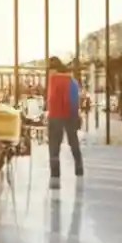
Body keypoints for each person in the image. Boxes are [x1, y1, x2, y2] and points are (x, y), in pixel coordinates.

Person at [45, 56, 83, 186]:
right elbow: (75, 100)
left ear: (54, 69)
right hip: (70, 116)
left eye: (50, 69)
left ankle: (55, 174)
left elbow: (51, 99)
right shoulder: (72, 81)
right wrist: (75, 115)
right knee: (73, 142)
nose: (49, 72)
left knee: (54, 147)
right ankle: (79, 168)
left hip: (55, 116)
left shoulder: (53, 80)